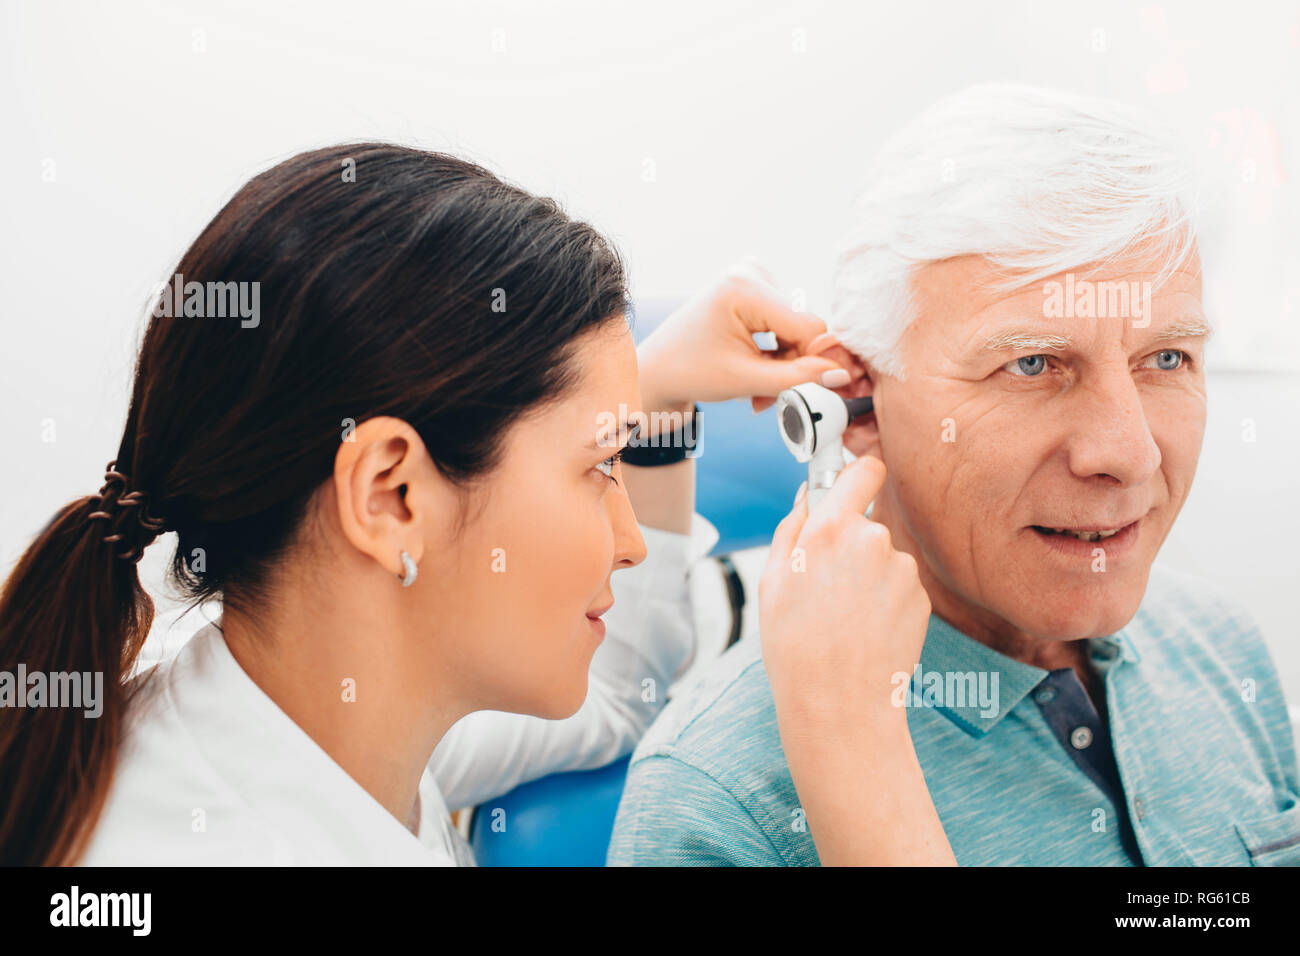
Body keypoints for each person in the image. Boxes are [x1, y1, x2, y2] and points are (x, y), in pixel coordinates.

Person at [0, 143, 953, 866]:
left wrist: (648, 412)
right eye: (596, 471)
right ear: (390, 494)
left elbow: (618, 695)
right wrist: (852, 733)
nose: (628, 542)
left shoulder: (319, 720)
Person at [608, 83, 1300, 866]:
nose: (1128, 452)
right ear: (858, 403)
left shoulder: (1220, 645)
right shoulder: (724, 805)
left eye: (1167, 357)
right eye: (1031, 364)